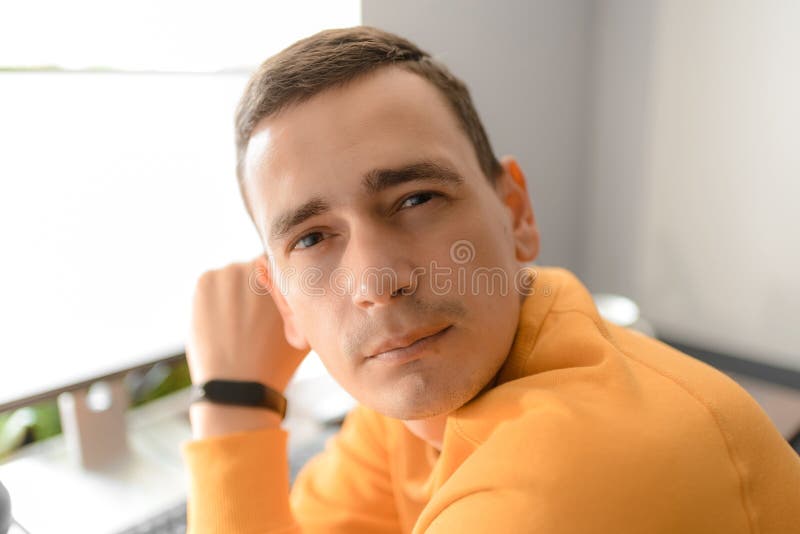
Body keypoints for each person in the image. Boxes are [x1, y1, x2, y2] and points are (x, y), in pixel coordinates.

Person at [181, 26, 800, 533]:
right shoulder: (420, 391)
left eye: (416, 199)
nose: (377, 282)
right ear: (282, 298)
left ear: (516, 214)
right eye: (311, 238)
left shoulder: (571, 481)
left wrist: (234, 407)